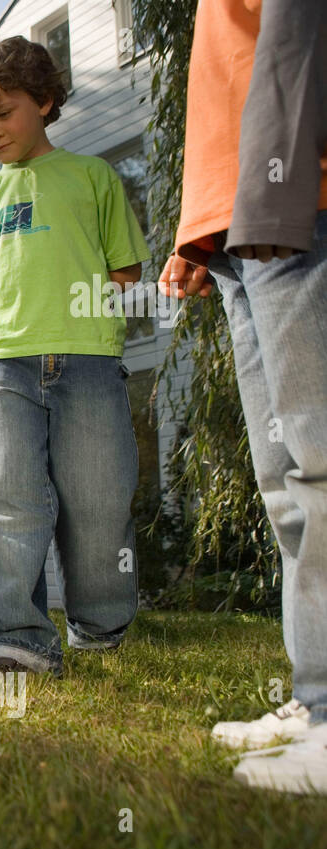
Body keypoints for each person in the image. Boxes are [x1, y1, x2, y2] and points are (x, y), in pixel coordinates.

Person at [159, 0, 327, 793]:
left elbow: (301, 37)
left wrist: (272, 188)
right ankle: (316, 696)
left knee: (322, 465)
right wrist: (204, 229)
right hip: (242, 225)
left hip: (299, 201)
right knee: (286, 478)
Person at [0, 36, 150, 675]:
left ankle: (98, 626)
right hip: (6, 368)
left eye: (3, 113)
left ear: (45, 100)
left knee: (98, 500)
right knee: (12, 501)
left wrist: (72, 308)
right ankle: (20, 636)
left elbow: (125, 271)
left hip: (87, 362)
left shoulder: (93, 177)